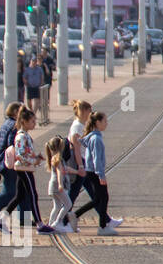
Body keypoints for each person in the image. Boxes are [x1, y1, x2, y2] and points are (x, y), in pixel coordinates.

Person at [75, 111, 122, 236]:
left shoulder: (92, 136)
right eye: (105, 121)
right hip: (95, 172)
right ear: (97, 122)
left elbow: (84, 144)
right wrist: (101, 175)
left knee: (98, 199)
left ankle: (75, 215)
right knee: (103, 198)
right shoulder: (96, 138)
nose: (107, 123)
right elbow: (96, 158)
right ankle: (102, 226)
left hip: (91, 171)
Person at [0, 102, 23, 234]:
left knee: (20, 190)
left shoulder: (6, 123)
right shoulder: (14, 126)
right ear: (14, 112)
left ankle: (24, 216)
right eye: (20, 111)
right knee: (10, 192)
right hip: (8, 163)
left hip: (2, 161)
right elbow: (11, 145)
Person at [62, 100, 93, 230]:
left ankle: (105, 219)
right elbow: (76, 149)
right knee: (73, 193)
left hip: (82, 162)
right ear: (83, 111)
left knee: (94, 193)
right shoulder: (77, 127)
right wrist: (81, 167)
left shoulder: (80, 125)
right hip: (78, 163)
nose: (90, 114)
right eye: (89, 111)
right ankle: (62, 220)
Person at [44, 136, 75, 234]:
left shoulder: (54, 158)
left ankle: (50, 224)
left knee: (57, 206)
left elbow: (66, 169)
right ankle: (57, 222)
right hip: (57, 186)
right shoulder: (58, 159)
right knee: (68, 204)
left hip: (53, 186)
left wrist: (78, 171)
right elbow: (59, 172)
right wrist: (61, 184)